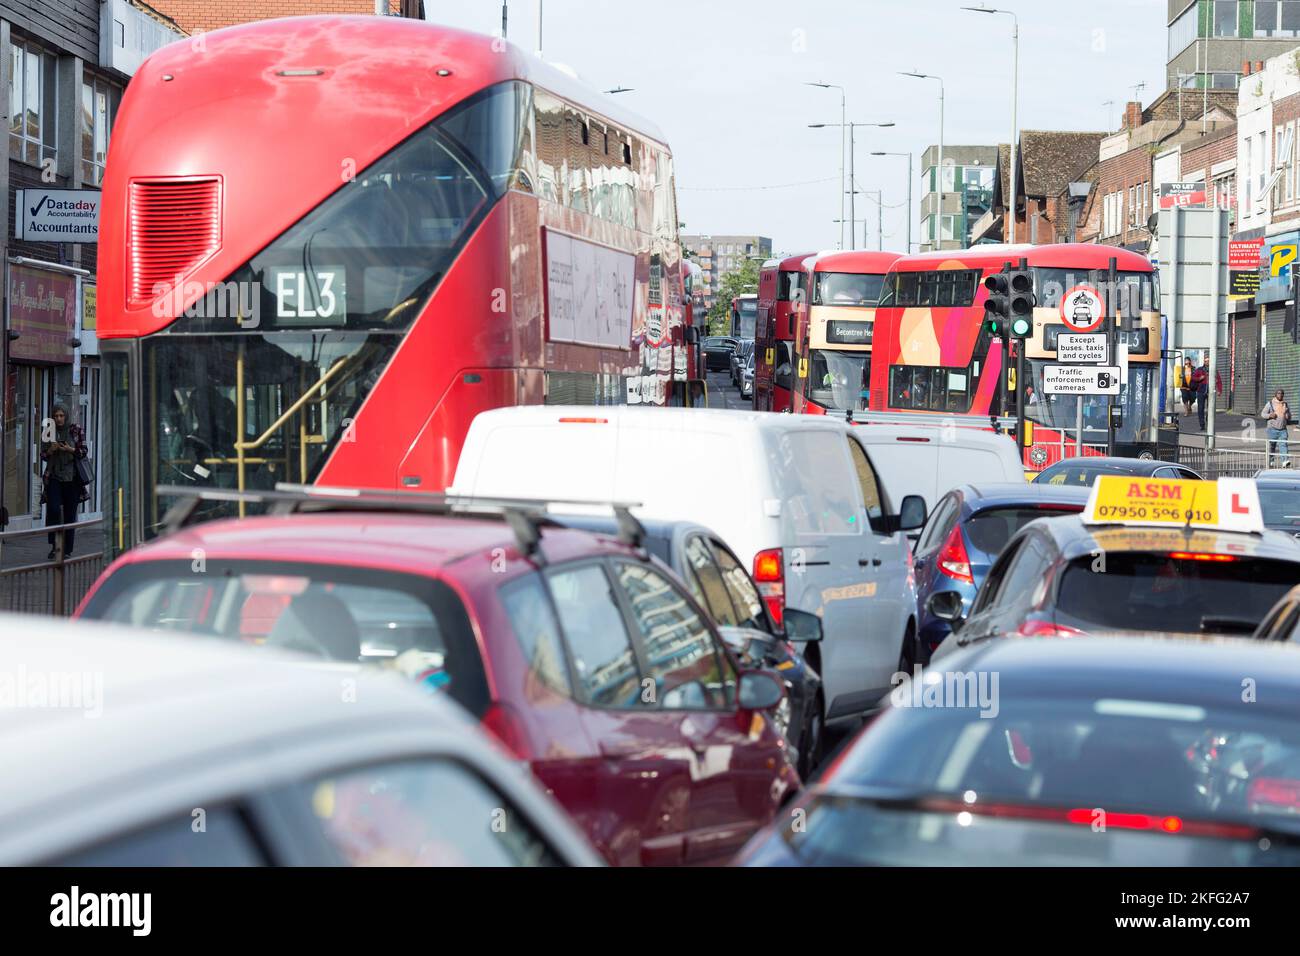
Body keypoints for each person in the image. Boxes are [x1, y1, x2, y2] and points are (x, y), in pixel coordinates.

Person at [40, 404, 87, 560]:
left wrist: (70, 450)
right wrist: (51, 450)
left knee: (69, 514)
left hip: (72, 478)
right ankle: (54, 546)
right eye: (56, 415)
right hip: (54, 476)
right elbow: (43, 455)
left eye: (61, 415)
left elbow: (83, 451)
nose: (59, 418)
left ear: (66, 416)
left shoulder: (75, 430)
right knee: (53, 509)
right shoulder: (48, 430)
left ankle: (66, 550)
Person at [1262, 388, 1292, 468]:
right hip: (1272, 429)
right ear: (1275, 394)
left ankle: (1285, 461)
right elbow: (1263, 414)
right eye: (1278, 393)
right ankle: (1271, 461)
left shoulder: (1285, 404)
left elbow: (1289, 417)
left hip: (1283, 429)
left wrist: (1286, 413)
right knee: (1272, 446)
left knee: (1283, 445)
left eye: (1282, 393)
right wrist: (1270, 415)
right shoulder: (1270, 404)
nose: (1280, 394)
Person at [1191, 355, 1210, 431]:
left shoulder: (1213, 369)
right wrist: (1199, 378)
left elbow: (1218, 379)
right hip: (1200, 391)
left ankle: (1209, 422)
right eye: (1206, 361)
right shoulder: (1199, 369)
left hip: (1210, 391)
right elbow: (1193, 377)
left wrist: (1219, 390)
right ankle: (1202, 424)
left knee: (1210, 409)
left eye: (1208, 361)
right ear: (1204, 362)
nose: (1207, 362)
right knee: (1200, 408)